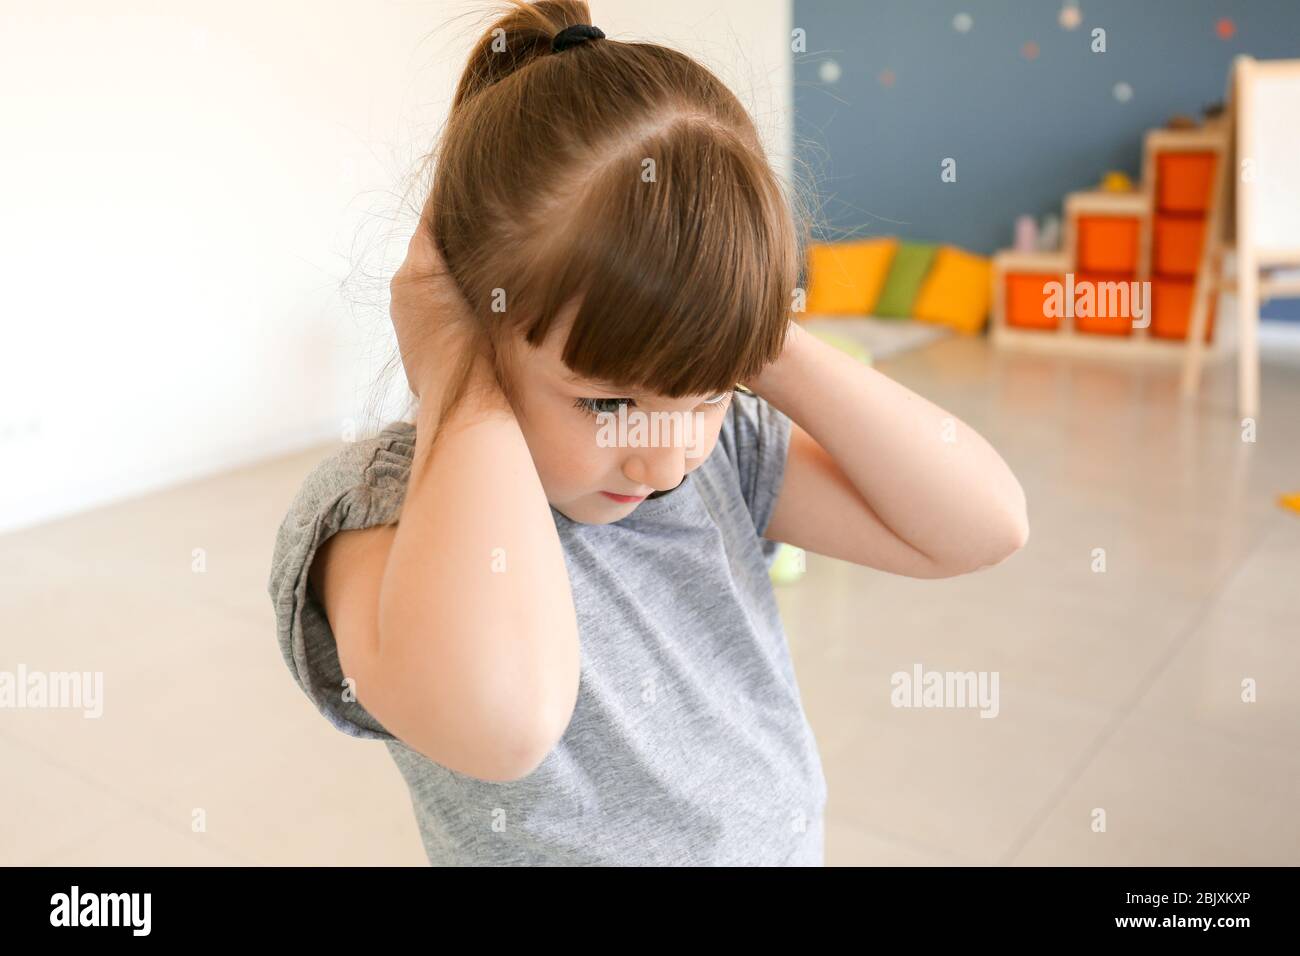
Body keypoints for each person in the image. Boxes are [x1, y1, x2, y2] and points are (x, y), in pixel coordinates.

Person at [267, 0, 1029, 866]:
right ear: (476, 323)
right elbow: (505, 724)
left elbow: (983, 526)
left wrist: (745, 328)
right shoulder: (378, 515)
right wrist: (457, 373)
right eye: (605, 403)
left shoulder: (723, 457)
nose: (666, 457)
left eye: (708, 393)